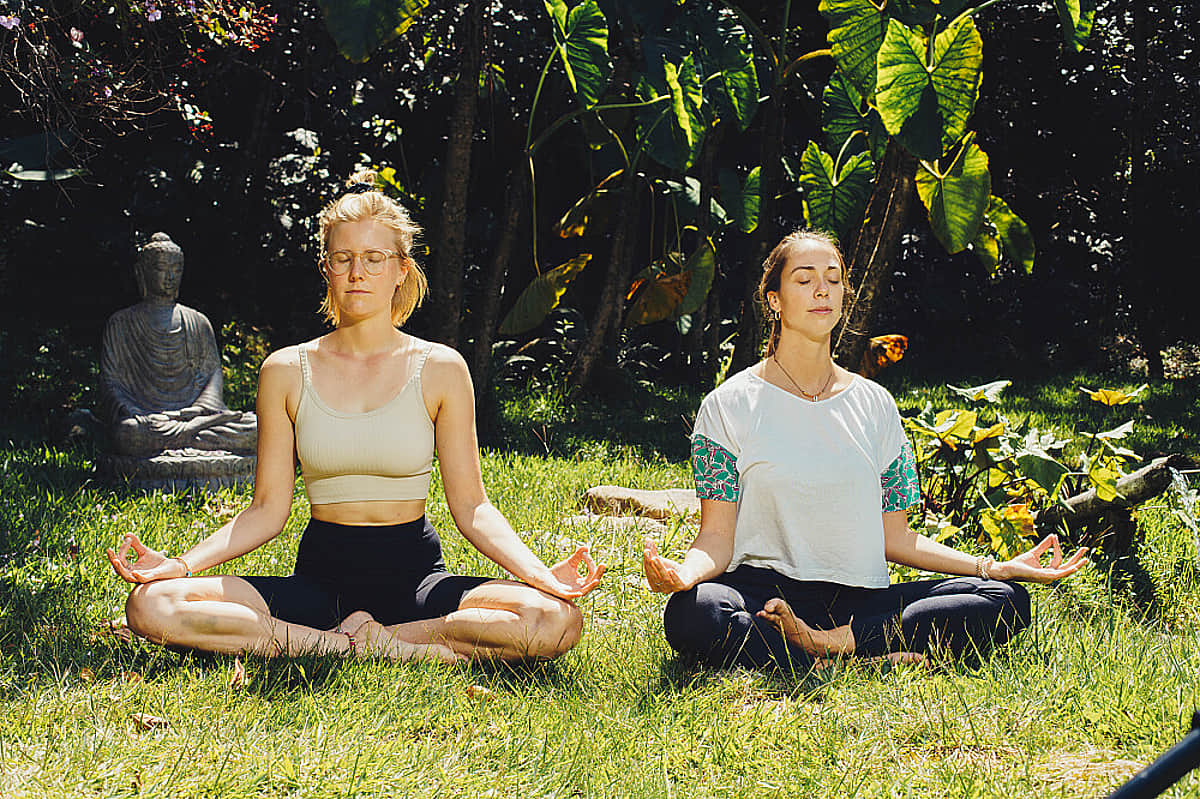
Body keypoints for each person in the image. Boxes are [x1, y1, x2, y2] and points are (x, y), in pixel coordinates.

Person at [107, 172, 604, 662]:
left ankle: (391, 645)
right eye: (343, 258)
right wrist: (180, 564)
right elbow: (267, 511)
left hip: (416, 583)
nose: (357, 272)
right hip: (319, 585)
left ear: (401, 269)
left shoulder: (440, 369)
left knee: (555, 620)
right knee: (152, 605)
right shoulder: (286, 370)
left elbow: (473, 508)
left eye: (373, 258)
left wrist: (540, 575)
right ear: (327, 267)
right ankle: (337, 645)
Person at [643, 229, 1087, 671]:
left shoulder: (876, 405)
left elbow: (896, 538)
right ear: (774, 299)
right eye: (804, 279)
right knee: (693, 612)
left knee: (1004, 599)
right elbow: (717, 536)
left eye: (834, 279)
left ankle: (830, 646)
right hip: (765, 595)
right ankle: (857, 655)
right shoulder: (728, 405)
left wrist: (992, 568)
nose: (823, 289)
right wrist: (687, 575)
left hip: (859, 600)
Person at [100, 232, 257, 457]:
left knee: (255, 428)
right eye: (162, 268)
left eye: (177, 269)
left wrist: (198, 410)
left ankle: (183, 435)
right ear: (142, 272)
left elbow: (212, 376)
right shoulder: (122, 323)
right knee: (128, 433)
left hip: (196, 416)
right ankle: (190, 435)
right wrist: (134, 412)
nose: (171, 276)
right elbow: (112, 382)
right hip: (149, 420)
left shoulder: (197, 321)